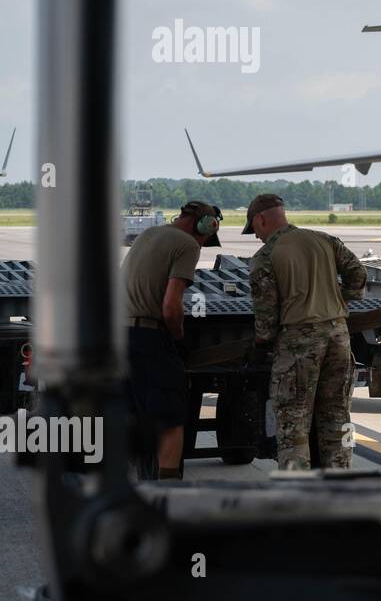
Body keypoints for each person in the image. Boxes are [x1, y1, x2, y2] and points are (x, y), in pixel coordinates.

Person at [245, 193, 367, 470]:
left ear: (261, 219)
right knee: (337, 414)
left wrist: (260, 347)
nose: (256, 237)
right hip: (339, 335)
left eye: (254, 229)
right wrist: (337, 298)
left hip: (299, 341)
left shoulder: (265, 257)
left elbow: (266, 320)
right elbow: (358, 274)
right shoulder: (323, 239)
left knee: (293, 421)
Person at [121, 200, 223, 479]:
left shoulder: (148, 234)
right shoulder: (187, 245)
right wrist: (177, 337)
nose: (202, 244)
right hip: (149, 337)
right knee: (171, 420)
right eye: (205, 238)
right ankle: (168, 492)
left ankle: (133, 483)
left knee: (136, 412)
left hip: (119, 336)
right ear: (204, 225)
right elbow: (170, 305)